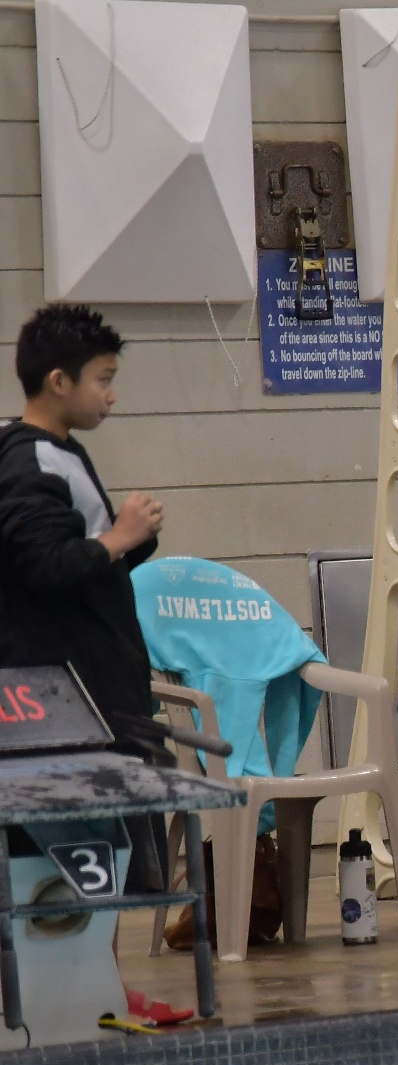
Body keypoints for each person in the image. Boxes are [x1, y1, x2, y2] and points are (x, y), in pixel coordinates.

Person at [2, 303, 187, 1025]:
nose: (111, 394)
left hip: (87, 682)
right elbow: (43, 565)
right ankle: (88, 987)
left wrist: (125, 542)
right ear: (57, 380)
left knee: (100, 844)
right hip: (70, 696)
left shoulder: (55, 451)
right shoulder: (29, 460)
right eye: (103, 379)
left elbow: (75, 558)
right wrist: (120, 538)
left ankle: (103, 983)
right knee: (79, 844)